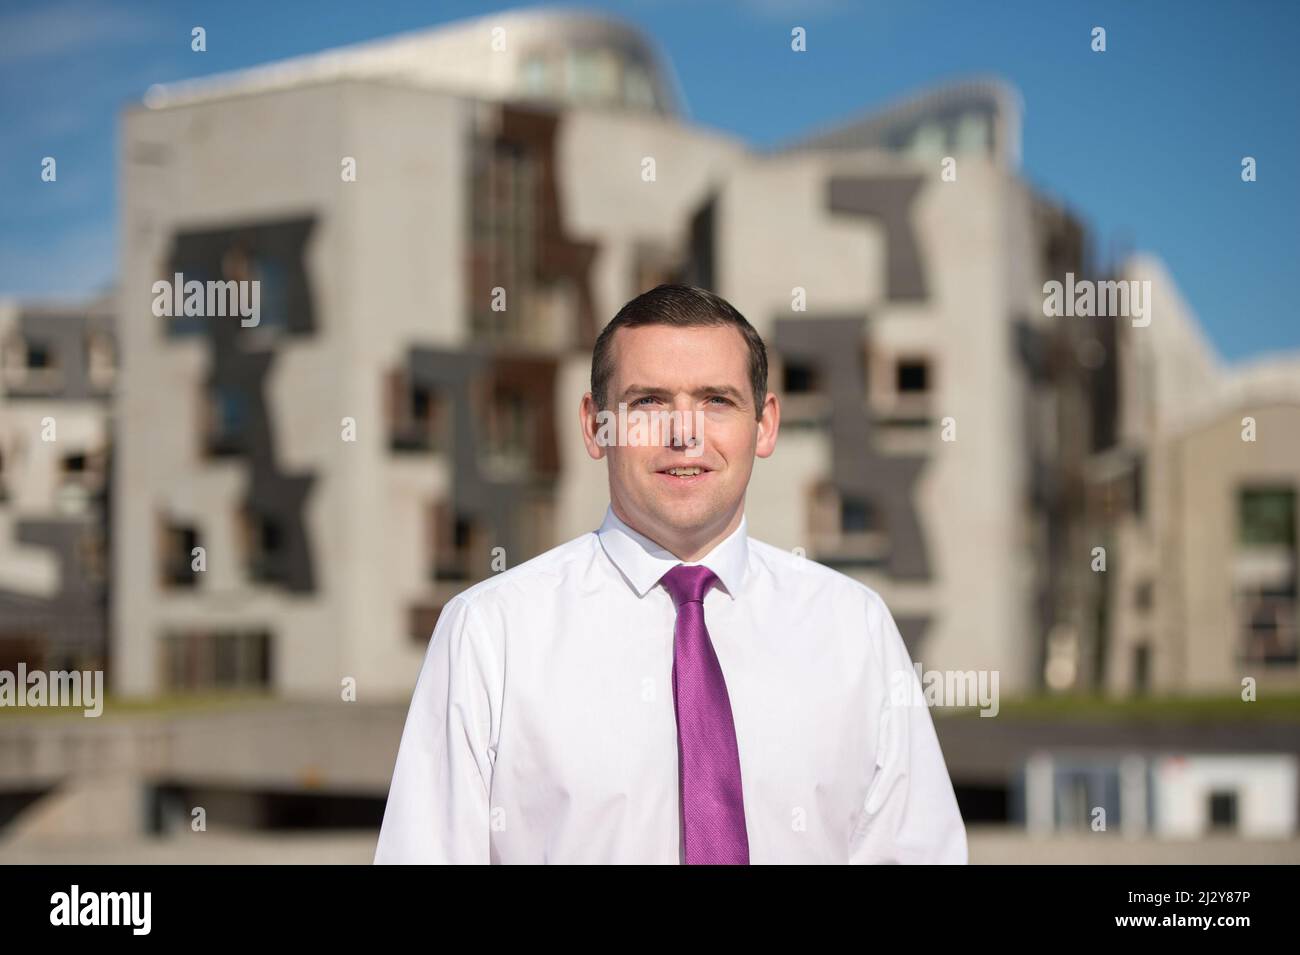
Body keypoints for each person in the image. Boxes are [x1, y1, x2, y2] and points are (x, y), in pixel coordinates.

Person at [374, 284, 967, 864]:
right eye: (649, 402)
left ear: (763, 425)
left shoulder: (853, 627)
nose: (684, 434)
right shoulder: (489, 634)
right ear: (594, 425)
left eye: (716, 400)